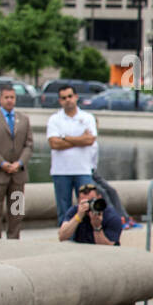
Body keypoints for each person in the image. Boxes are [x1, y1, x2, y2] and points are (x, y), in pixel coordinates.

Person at [0, 84, 32, 239]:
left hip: (18, 175)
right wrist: (3, 164)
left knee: (16, 212)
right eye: (6, 97)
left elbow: (29, 145)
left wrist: (20, 163)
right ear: (0, 99)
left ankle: (14, 242)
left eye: (12, 97)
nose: (10, 100)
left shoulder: (24, 119)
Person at [46, 85, 98, 223]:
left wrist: (64, 137)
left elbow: (90, 140)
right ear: (59, 101)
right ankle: (66, 240)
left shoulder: (87, 118)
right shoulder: (54, 119)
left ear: (76, 97)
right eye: (64, 98)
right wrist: (80, 139)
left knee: (89, 207)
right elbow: (54, 143)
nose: (67, 100)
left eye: (70, 96)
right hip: (61, 171)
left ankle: (87, 239)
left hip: (83, 170)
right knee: (64, 210)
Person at [57, 182, 122, 245]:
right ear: (79, 201)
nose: (89, 205)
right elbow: (62, 237)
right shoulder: (75, 211)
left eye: (92, 201)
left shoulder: (111, 216)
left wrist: (97, 227)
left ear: (99, 198)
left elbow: (109, 248)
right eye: (85, 202)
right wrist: (78, 217)